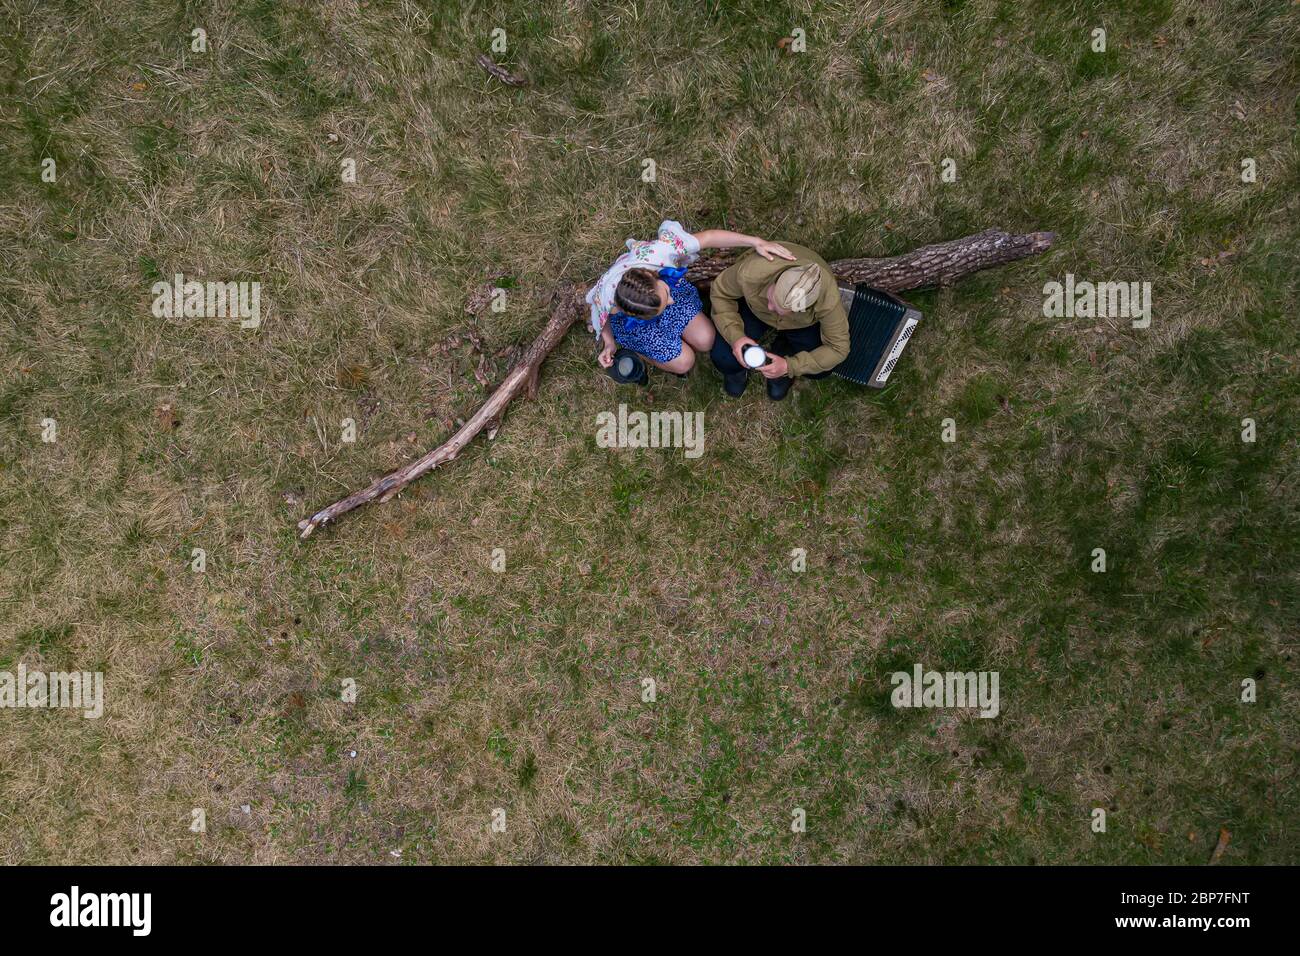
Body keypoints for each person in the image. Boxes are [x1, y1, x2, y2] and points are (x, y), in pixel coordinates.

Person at [586, 221, 794, 381]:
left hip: (651, 295)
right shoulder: (608, 300)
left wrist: (755, 241)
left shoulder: (659, 253)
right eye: (665, 303)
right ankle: (645, 353)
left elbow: (710, 237)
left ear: (652, 275)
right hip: (640, 328)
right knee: (685, 362)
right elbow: (599, 313)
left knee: (706, 340)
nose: (670, 302)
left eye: (665, 294)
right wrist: (610, 343)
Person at [708, 242, 850, 400]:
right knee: (724, 358)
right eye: (770, 299)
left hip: (800, 324)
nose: (770, 307)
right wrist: (736, 337)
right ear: (775, 282)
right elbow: (720, 292)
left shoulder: (827, 297)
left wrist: (790, 366)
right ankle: (737, 370)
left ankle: (783, 354)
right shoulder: (752, 272)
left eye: (778, 309)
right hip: (755, 311)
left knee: (822, 370)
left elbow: (839, 348)